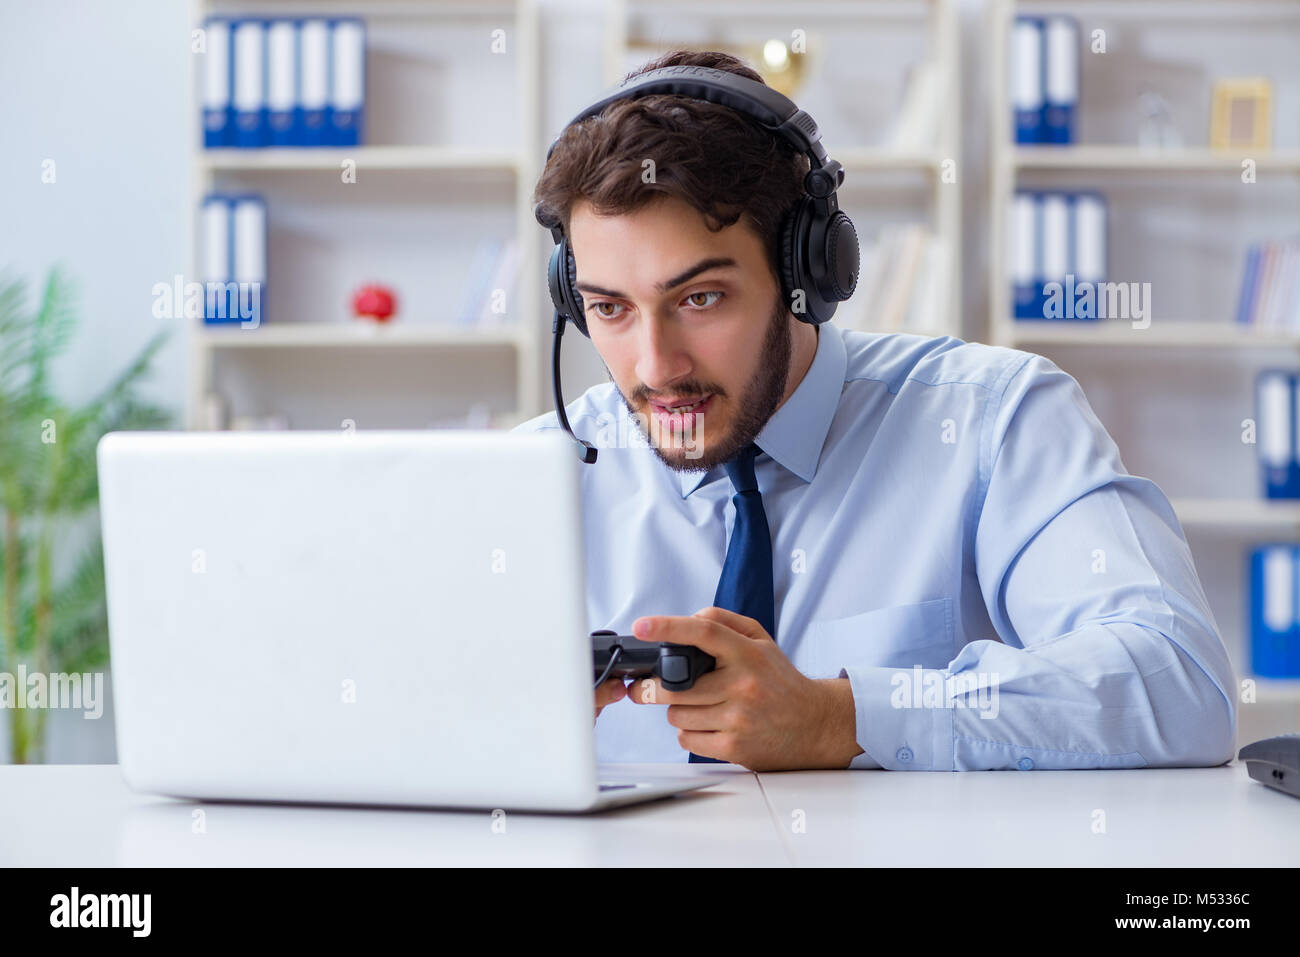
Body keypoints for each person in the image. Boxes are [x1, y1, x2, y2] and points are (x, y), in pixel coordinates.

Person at [514, 49, 1236, 772]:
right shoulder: (530, 478)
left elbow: (1180, 681)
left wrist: (847, 716)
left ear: (809, 271)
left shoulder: (996, 419)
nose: (655, 366)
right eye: (609, 308)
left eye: (700, 298)